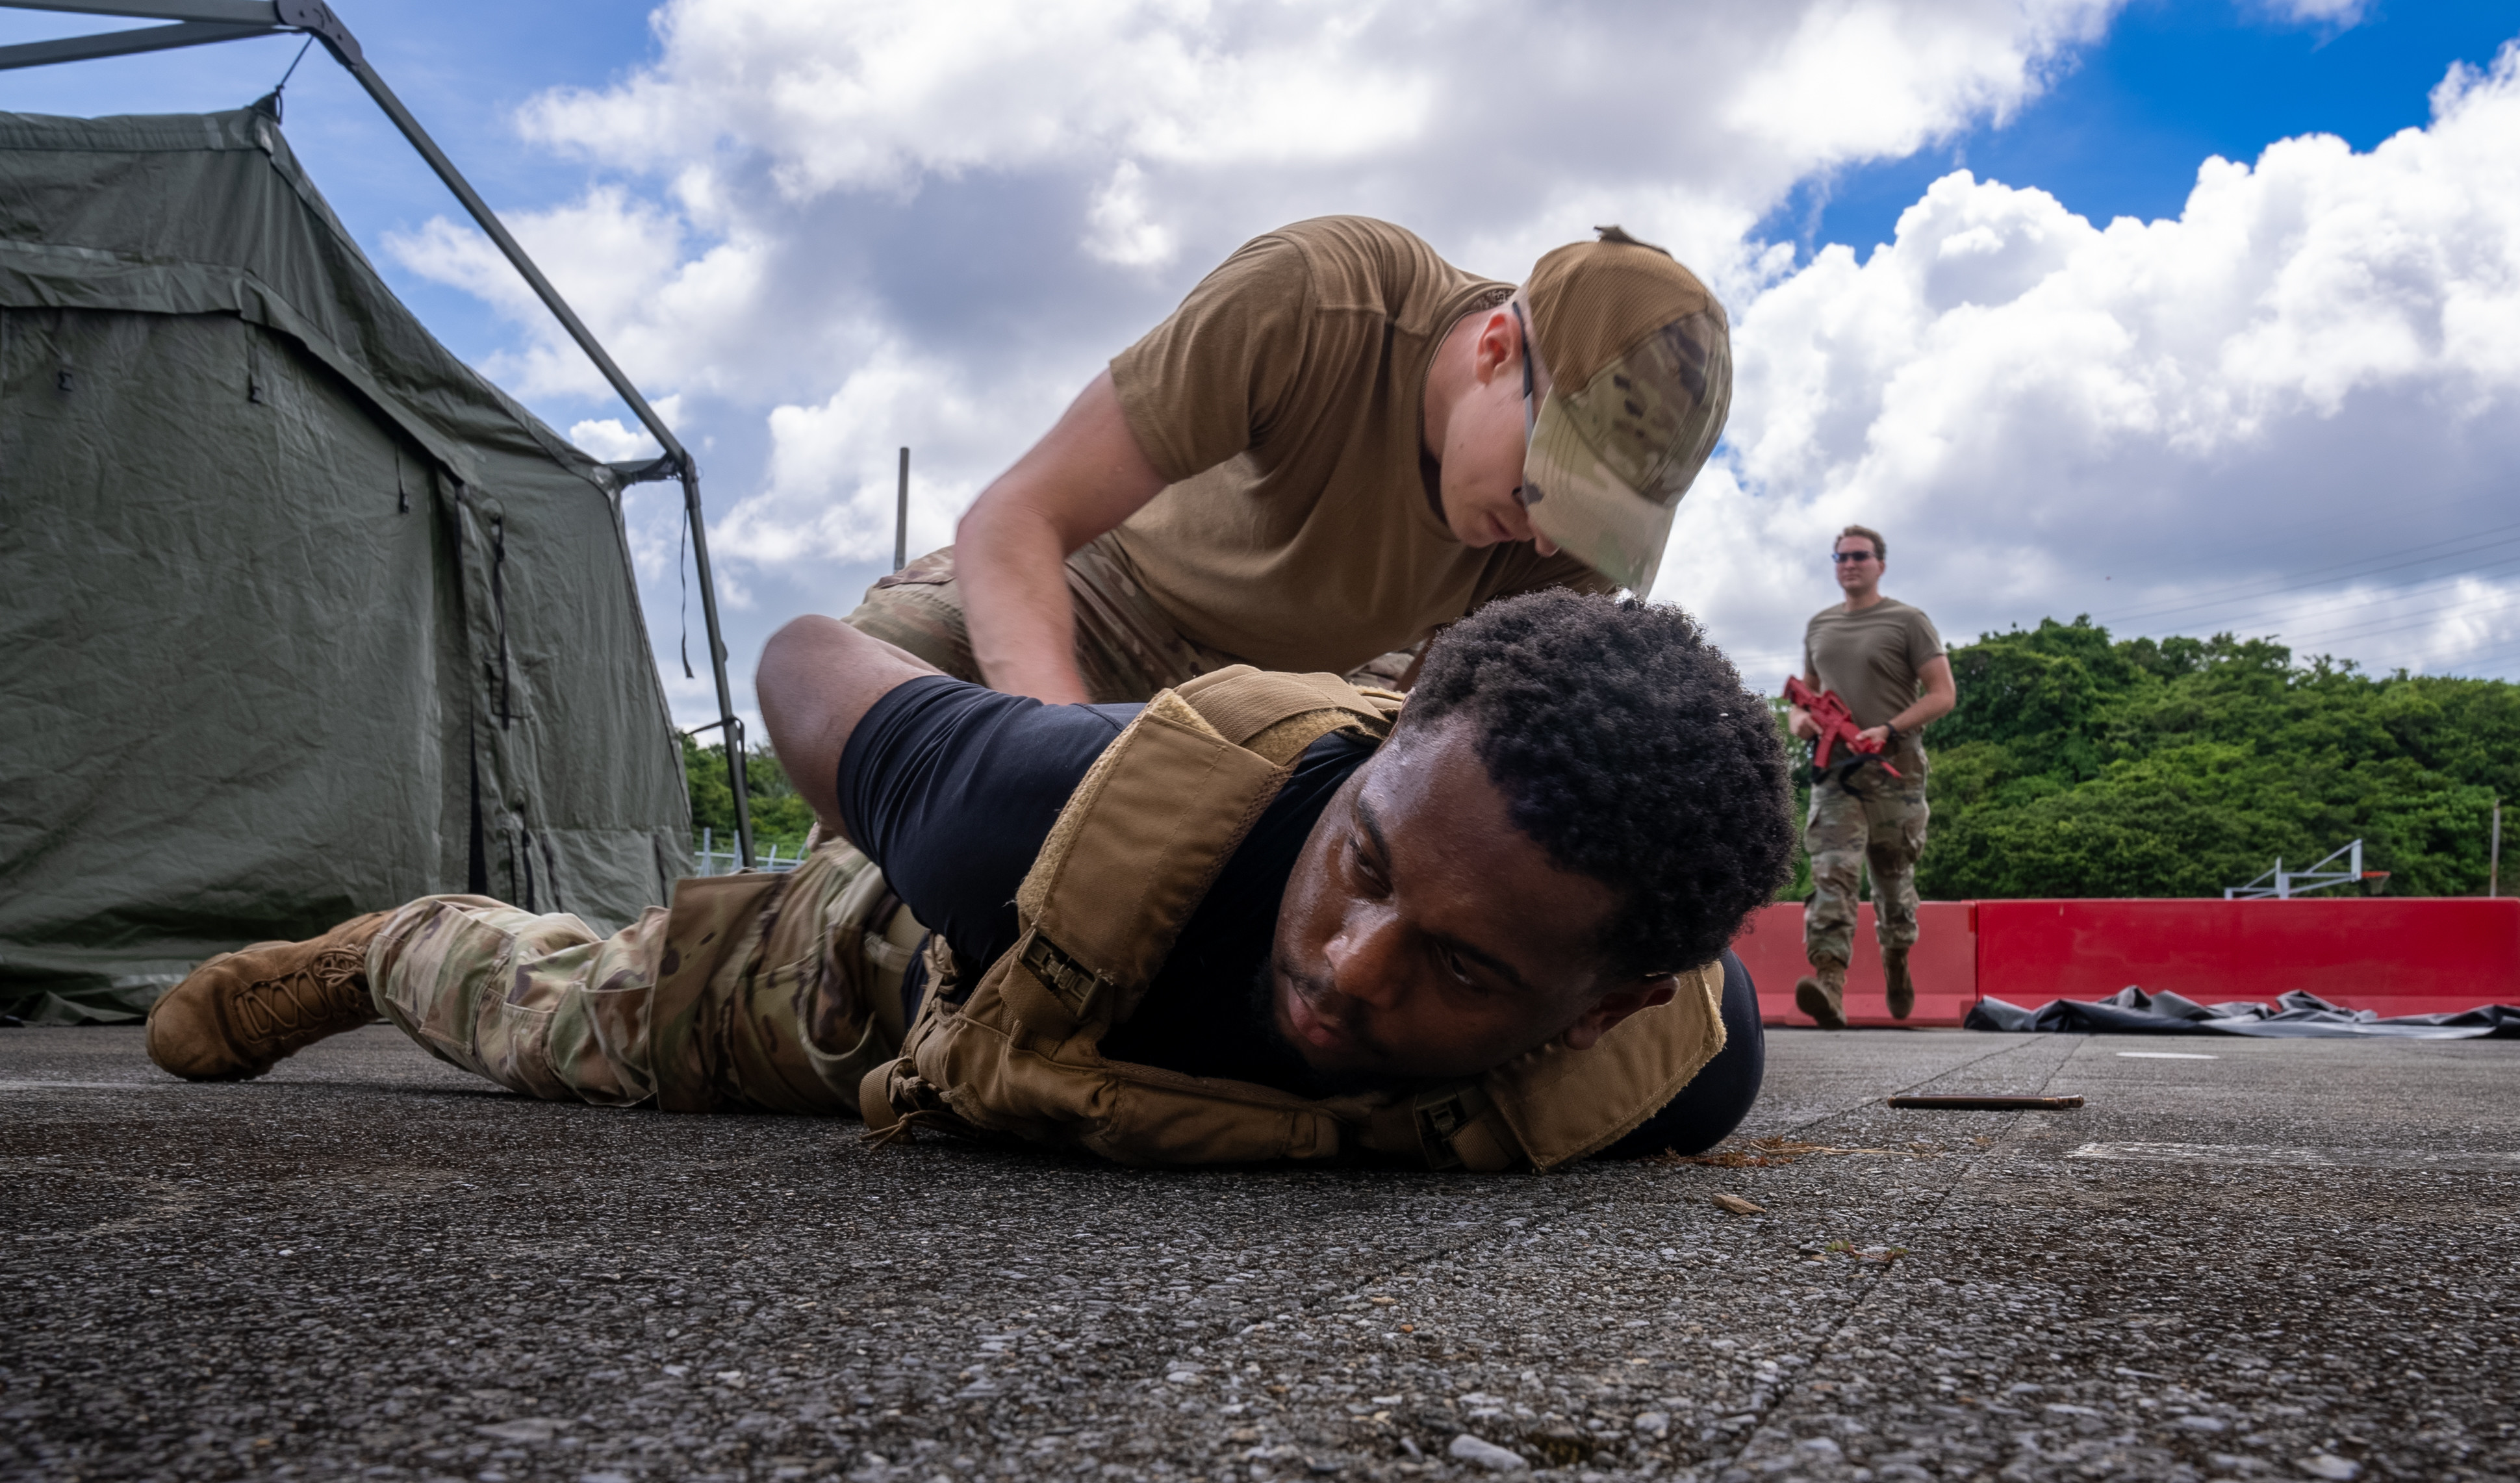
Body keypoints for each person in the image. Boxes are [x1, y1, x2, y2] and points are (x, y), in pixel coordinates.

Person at [145, 592, 1795, 1171]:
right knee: (564, 1020)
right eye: (1360, 866)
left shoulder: (1679, 1067)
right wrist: (970, 751)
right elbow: (803, 660)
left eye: (1467, 973)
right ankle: (387, 943)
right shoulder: (1030, 812)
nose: (1353, 969)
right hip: (874, 974)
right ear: (1378, 747)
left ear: (1612, 1001)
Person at [847, 217, 1733, 702]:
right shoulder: (1320, 297)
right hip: (1111, 600)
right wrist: (1054, 762)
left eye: (1594, 518)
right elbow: (1016, 518)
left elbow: (1435, 733)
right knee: (888, 669)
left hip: (1303, 697)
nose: (1549, 539)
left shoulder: (1561, 543)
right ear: (1497, 348)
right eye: (1556, 486)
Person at [1785, 524, 1957, 1029]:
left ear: (1880, 563)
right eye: (1839, 557)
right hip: (1836, 772)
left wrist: (1888, 727)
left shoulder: (1907, 621)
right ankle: (1829, 982)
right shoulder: (1819, 626)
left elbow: (1942, 694)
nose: (1848, 564)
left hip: (1894, 770)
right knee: (1830, 873)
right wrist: (1801, 722)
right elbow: (1805, 697)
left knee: (1893, 881)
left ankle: (1896, 957)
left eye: (1859, 556)